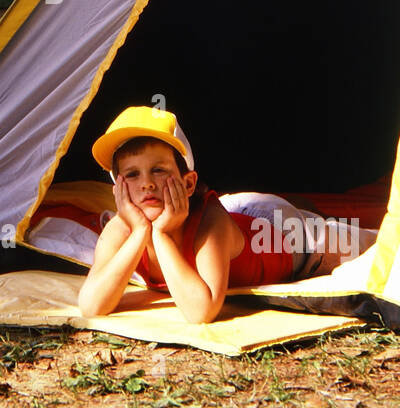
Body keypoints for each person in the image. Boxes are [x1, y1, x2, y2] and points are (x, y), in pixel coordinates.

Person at [76, 106, 377, 324]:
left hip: (276, 233)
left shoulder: (210, 224)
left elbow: (200, 312)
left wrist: (161, 234)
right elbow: (90, 306)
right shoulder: (122, 229)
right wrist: (142, 231)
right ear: (118, 188)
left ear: (188, 183)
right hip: (237, 211)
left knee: (370, 244)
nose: (147, 183)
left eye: (159, 170)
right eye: (131, 174)